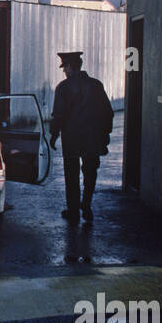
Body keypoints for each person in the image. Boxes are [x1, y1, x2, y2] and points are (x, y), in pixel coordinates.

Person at [48, 51, 113, 224]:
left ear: (70, 66)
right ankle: (86, 203)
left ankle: (73, 209)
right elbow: (108, 112)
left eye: (64, 67)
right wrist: (105, 134)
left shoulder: (63, 88)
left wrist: (53, 135)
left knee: (72, 174)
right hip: (93, 138)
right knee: (90, 172)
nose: (63, 71)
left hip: (72, 139)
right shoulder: (96, 85)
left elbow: (59, 116)